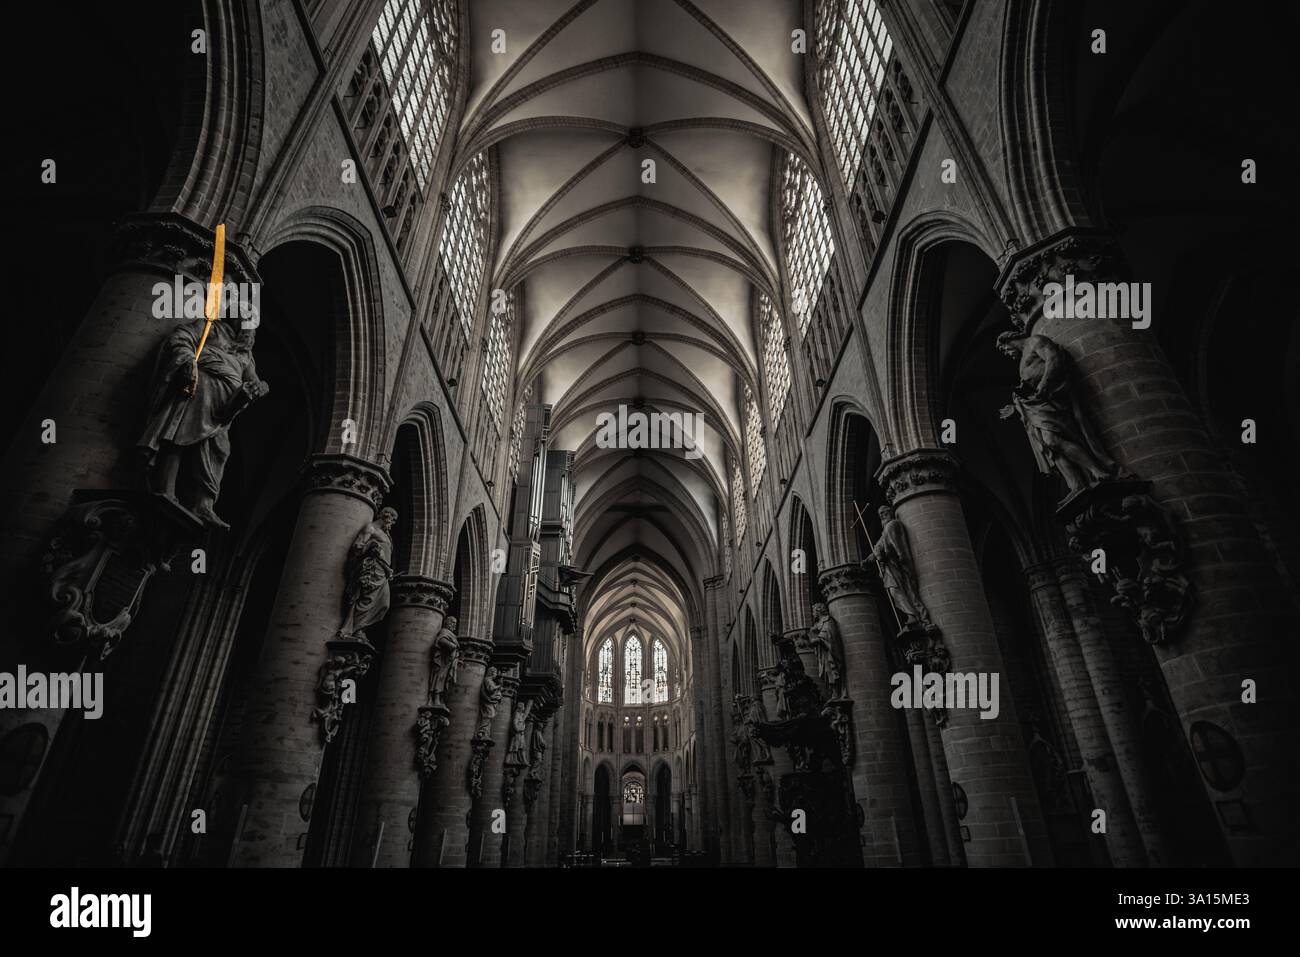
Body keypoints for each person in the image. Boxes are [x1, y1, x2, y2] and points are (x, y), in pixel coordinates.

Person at [138, 319, 269, 529]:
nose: (249, 328)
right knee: (180, 436)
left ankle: (203, 504)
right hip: (201, 388)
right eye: (246, 321)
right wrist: (188, 361)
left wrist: (260, 386)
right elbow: (181, 338)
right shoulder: (212, 328)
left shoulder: (246, 354)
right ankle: (165, 488)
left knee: (220, 450)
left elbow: (251, 377)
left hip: (226, 405)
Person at [997, 330, 1123, 497]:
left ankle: (1096, 469)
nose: (1007, 353)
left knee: (1053, 440)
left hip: (1053, 397)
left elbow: (1053, 358)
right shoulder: (1022, 359)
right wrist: (1017, 407)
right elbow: (1029, 386)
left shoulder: (1034, 341)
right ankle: (1075, 485)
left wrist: (1044, 383)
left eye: (1005, 349)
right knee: (1050, 448)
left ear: (1010, 339)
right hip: (1036, 405)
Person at [339, 508, 398, 642]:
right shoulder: (371, 528)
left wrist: (388, 569)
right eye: (393, 519)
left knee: (384, 603)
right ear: (386, 516)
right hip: (372, 568)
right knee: (366, 599)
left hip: (383, 572)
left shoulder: (386, 535)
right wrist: (371, 545)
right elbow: (357, 546)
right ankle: (356, 629)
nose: (393, 523)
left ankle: (361, 627)